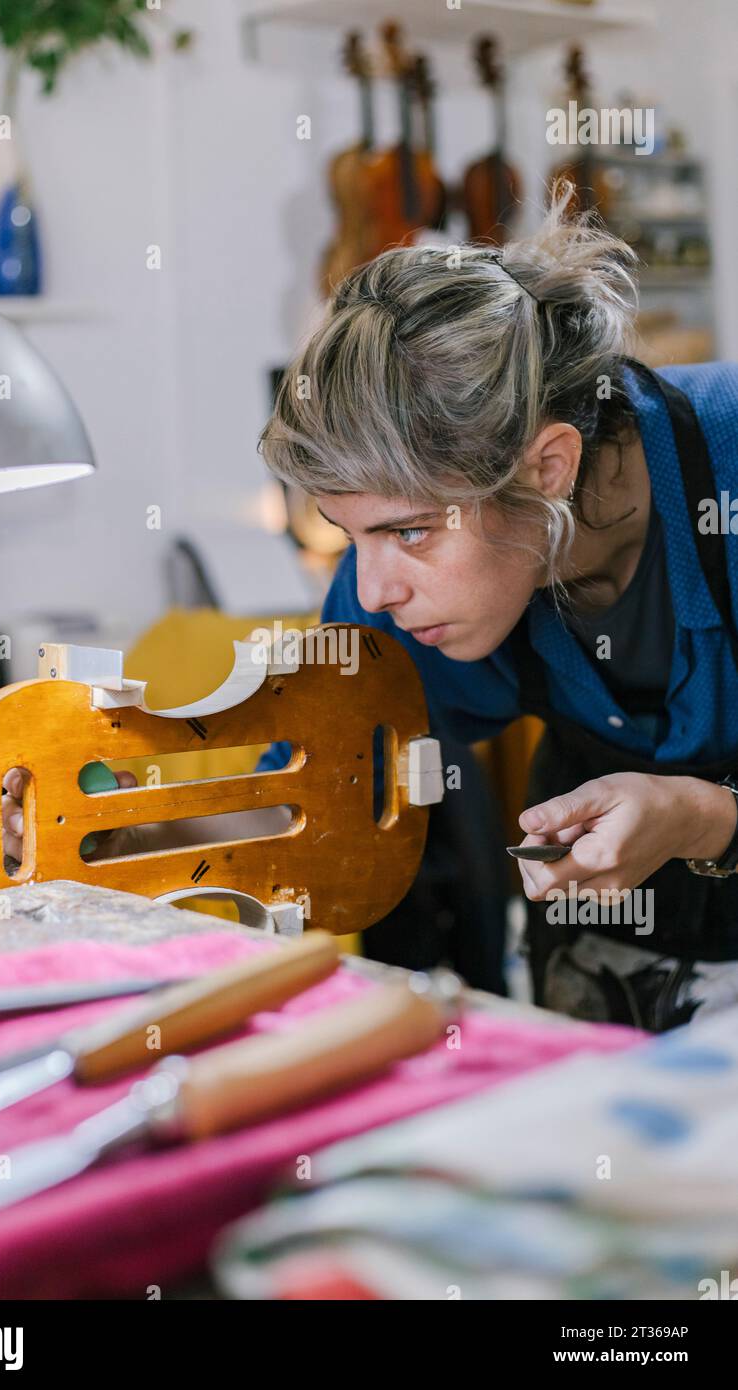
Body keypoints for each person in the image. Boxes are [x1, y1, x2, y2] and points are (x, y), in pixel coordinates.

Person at [254, 186, 738, 1031]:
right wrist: (121, 831)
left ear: (548, 466)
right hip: (603, 951)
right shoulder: (390, 590)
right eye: (349, 535)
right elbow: (307, 781)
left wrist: (708, 817)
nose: (373, 592)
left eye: (408, 532)